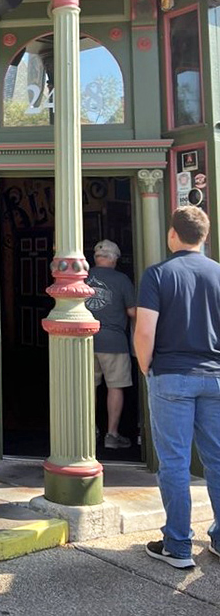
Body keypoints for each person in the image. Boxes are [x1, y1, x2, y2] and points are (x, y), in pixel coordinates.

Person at [134, 206, 220, 570]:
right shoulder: (218, 274)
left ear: (173, 235)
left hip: (170, 375)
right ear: (204, 235)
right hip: (215, 376)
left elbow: (144, 330)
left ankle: (177, 544)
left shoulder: (158, 274)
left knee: (174, 463)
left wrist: (146, 366)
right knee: (217, 460)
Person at [86, 239, 136, 449]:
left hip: (85, 341)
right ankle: (111, 435)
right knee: (115, 386)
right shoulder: (122, 279)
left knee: (88, 388)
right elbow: (133, 311)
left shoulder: (83, 278)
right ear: (114, 259)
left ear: (96, 259)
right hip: (114, 342)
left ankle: (89, 432)